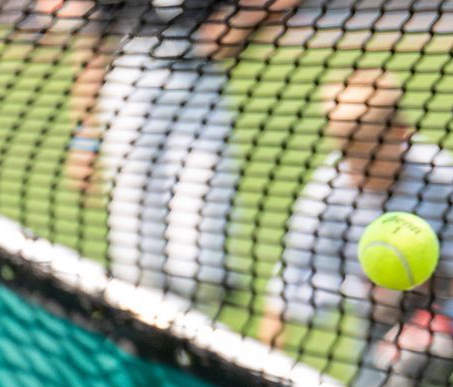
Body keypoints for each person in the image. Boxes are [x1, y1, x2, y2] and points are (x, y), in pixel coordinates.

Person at [256, 67, 453, 387]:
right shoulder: (328, 191)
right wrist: (262, 368)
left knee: (409, 372)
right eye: (346, 151)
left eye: (368, 152)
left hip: (439, 320)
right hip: (373, 321)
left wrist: (431, 321)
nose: (356, 165)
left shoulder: (442, 178)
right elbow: (288, 285)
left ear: (400, 132)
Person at [52, 0, 297, 300]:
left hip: (200, 81)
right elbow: (93, 45)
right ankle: (139, 320)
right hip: (135, 80)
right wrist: (84, 141)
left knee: (203, 230)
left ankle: (190, 321)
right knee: (135, 228)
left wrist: (233, 26)